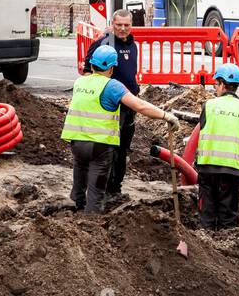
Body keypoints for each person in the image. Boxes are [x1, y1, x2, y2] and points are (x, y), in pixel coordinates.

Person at [63, 45, 169, 214]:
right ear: (111, 68)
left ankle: (74, 214)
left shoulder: (79, 82)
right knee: (96, 192)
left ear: (92, 65)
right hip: (99, 146)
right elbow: (140, 106)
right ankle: (90, 223)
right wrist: (166, 116)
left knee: (79, 183)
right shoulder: (112, 86)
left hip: (77, 142)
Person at [193, 64, 239, 230]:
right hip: (233, 171)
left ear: (222, 84)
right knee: (228, 215)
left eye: (216, 85)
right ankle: (226, 248)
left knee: (207, 213)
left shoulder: (208, 106)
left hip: (207, 168)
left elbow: (203, 128)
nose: (215, 89)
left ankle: (205, 245)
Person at [82, 9, 139, 199]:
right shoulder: (102, 45)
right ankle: (103, 188)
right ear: (112, 24)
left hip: (129, 105)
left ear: (132, 25)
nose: (123, 29)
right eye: (119, 25)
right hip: (111, 106)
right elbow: (88, 73)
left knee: (122, 149)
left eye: (127, 25)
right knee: (109, 149)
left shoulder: (133, 45)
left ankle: (116, 187)